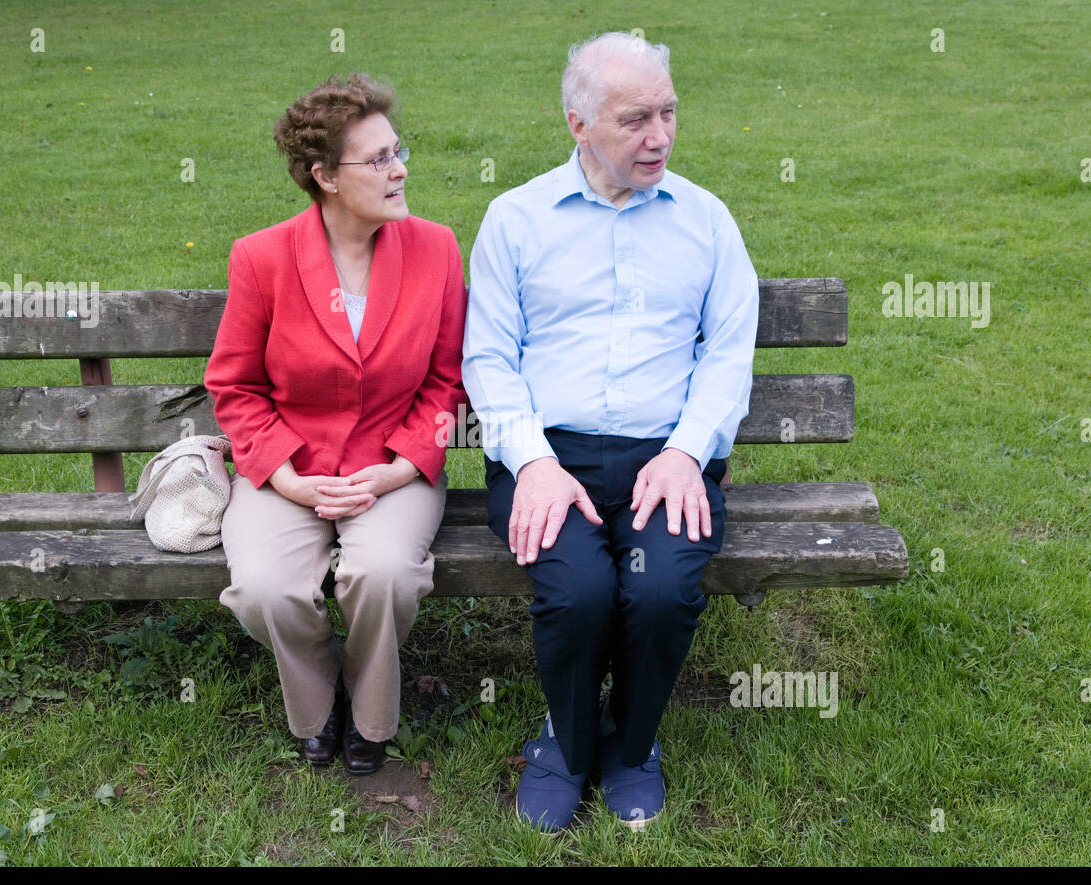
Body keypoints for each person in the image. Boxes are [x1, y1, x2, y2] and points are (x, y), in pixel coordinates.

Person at [462, 33, 759, 829]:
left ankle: (632, 744)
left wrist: (687, 451)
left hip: (668, 460)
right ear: (578, 124)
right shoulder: (516, 219)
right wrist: (530, 463)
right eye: (635, 119)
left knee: (661, 589)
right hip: (546, 459)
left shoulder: (706, 221)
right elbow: (488, 356)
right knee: (582, 591)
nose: (659, 135)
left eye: (668, 113)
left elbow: (729, 353)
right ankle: (565, 739)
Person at [205, 73, 467, 775]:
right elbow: (234, 384)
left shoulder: (437, 249)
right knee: (263, 587)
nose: (400, 167)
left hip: (393, 462)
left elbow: (448, 381)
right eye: (377, 159)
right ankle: (315, 705)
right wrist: (288, 482)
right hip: (286, 465)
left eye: (398, 149)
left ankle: (373, 714)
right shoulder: (261, 258)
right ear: (323, 176)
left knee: (383, 574)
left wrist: (403, 466)